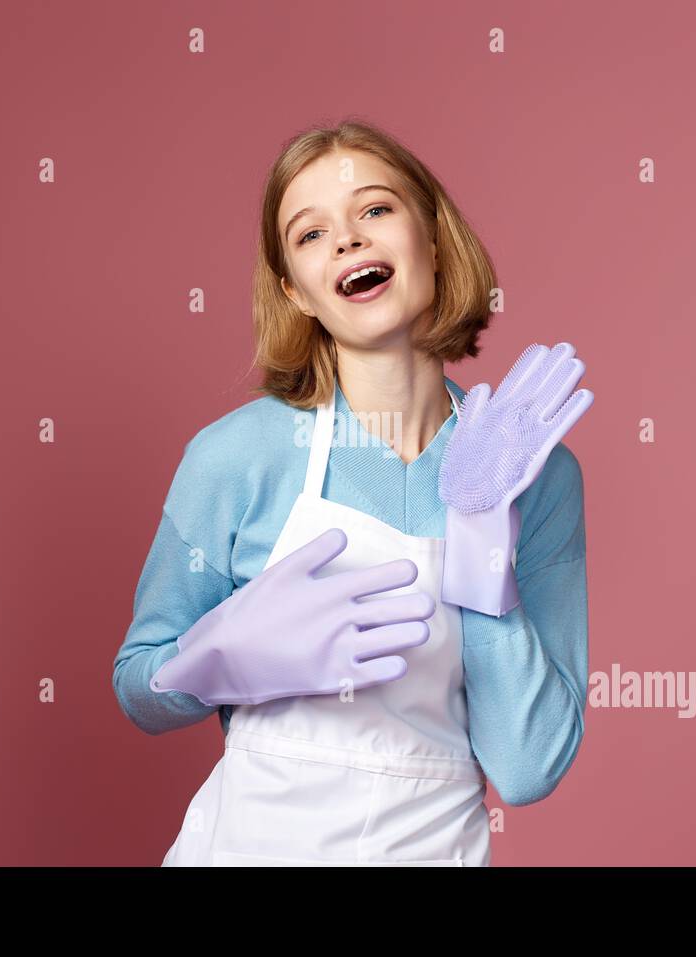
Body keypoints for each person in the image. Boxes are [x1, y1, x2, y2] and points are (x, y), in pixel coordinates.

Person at [112, 119, 592, 866]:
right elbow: (137, 686)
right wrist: (213, 660)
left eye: (375, 210)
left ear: (431, 239)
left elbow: (527, 768)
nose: (346, 240)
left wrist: (481, 548)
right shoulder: (235, 456)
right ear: (294, 292)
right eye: (310, 235)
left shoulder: (537, 475)